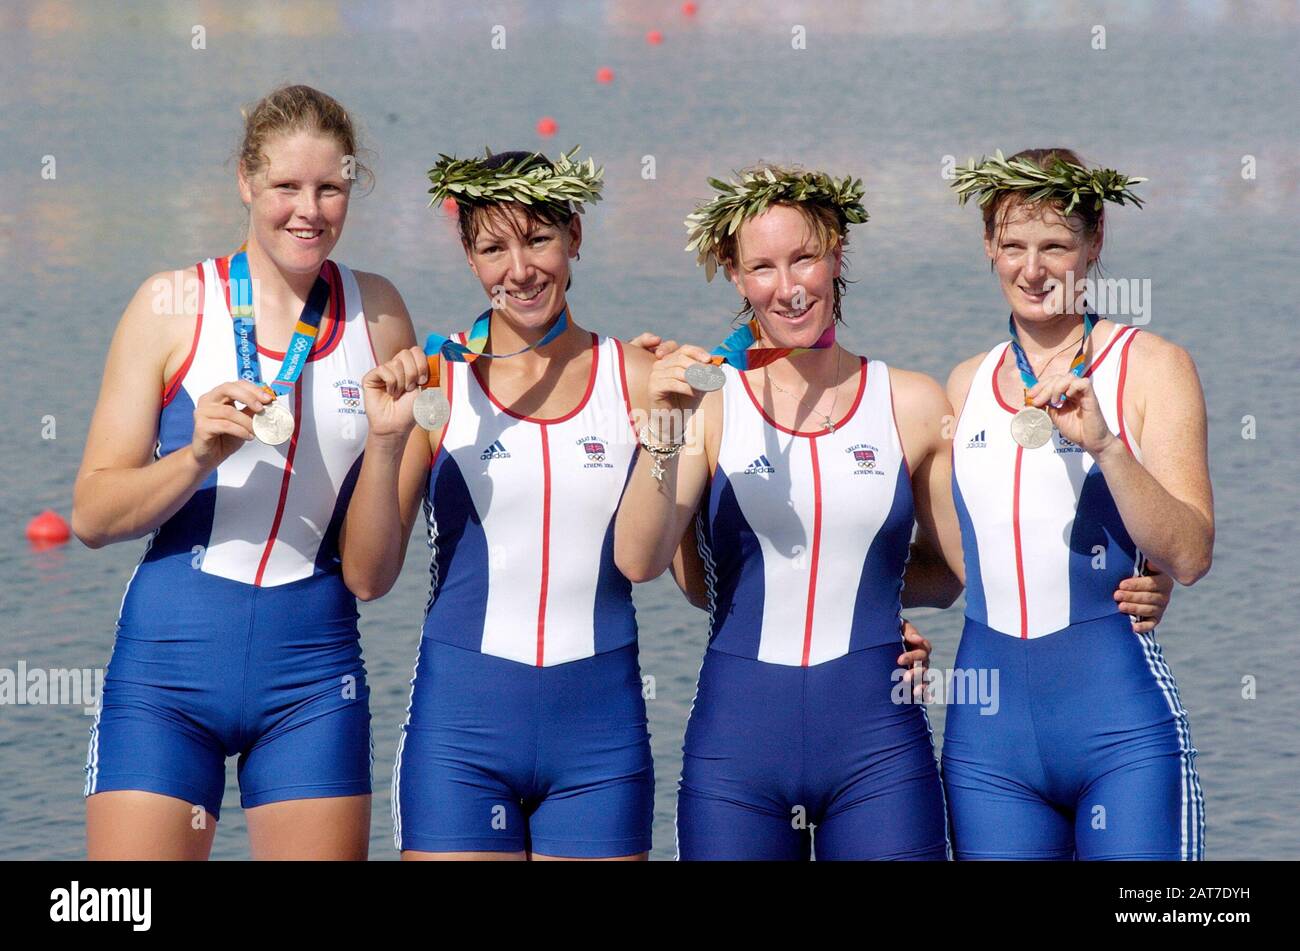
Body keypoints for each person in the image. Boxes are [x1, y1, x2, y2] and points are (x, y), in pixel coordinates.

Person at [72, 85, 416, 859]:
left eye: (330, 188)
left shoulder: (382, 313)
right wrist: (195, 456)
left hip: (312, 676)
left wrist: (391, 446)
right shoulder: (168, 305)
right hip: (166, 674)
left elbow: (373, 574)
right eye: (286, 187)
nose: (309, 210)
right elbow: (92, 515)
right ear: (245, 181)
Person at [344, 147, 705, 860]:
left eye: (539, 239)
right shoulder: (434, 383)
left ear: (576, 235)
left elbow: (652, 561)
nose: (520, 270)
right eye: (493, 248)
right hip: (460, 735)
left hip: (600, 739)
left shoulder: (638, 378)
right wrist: (384, 443)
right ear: (469, 256)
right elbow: (366, 577)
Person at [615, 166, 960, 860]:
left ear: (836, 252)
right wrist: (662, 431)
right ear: (735, 278)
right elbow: (639, 558)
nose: (789, 284)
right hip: (737, 756)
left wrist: (873, 591)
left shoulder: (915, 403)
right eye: (762, 267)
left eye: (804, 256)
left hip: (878, 753)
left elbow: (953, 574)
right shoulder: (705, 402)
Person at [940, 147, 1210, 859]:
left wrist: (1107, 447)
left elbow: (1190, 552)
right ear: (990, 250)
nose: (1033, 269)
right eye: (1014, 246)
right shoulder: (962, 385)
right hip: (986, 749)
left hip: (1120, 733)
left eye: (1056, 245)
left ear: (1093, 245)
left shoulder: (1154, 367)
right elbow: (940, 557)